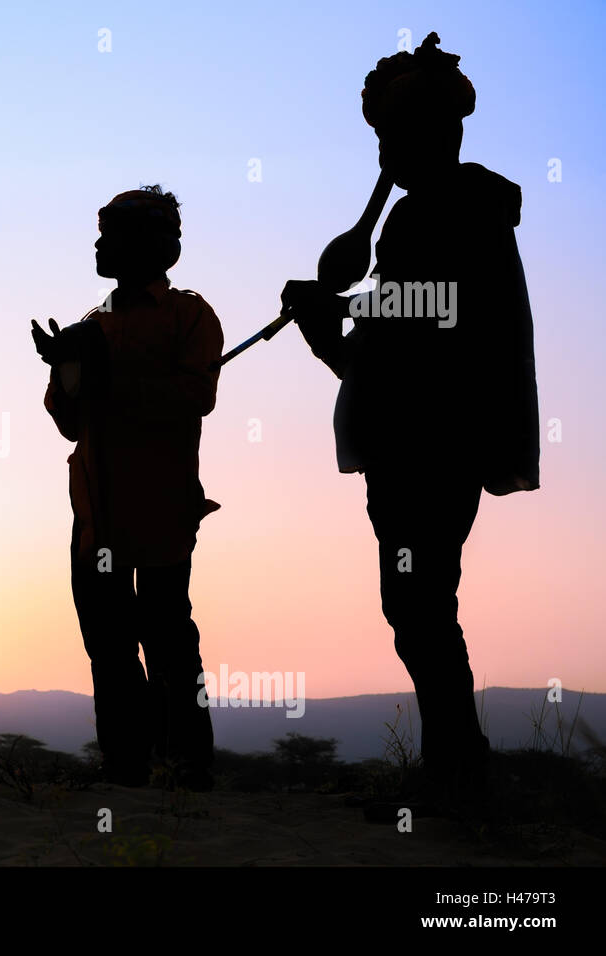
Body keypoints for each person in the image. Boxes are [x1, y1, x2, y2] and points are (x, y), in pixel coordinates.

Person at [280, 33, 539, 809]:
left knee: (421, 606)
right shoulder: (425, 216)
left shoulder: (458, 210)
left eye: (396, 133)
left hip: (434, 446)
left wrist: (343, 307)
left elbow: (438, 309)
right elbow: (379, 356)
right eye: (383, 137)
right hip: (410, 443)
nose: (387, 150)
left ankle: (457, 776)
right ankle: (454, 771)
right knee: (420, 606)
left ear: (440, 132)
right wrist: (329, 326)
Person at [33, 185, 224, 789]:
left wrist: (107, 378)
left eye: (108, 233)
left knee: (168, 637)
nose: (97, 243)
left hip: (161, 507)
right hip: (94, 513)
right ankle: (126, 765)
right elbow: (68, 421)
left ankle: (188, 764)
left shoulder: (189, 316)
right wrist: (66, 368)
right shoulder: (93, 326)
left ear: (146, 245)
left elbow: (197, 397)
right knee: (108, 644)